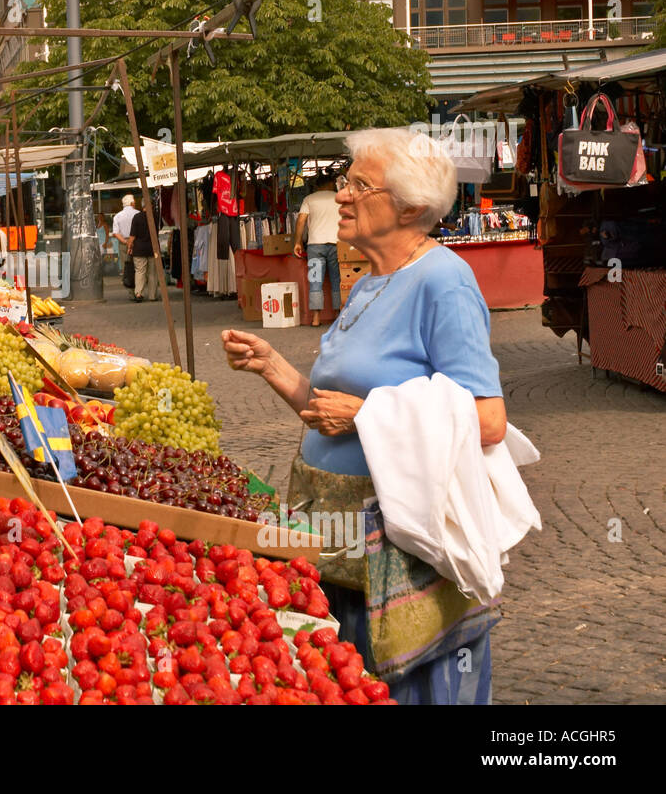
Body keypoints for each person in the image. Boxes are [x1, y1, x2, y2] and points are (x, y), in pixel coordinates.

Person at [222, 128, 508, 705]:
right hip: (340, 544)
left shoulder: (443, 281)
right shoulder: (368, 282)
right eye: (345, 181)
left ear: (411, 207)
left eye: (358, 184)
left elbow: (488, 419)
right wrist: (273, 365)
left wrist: (367, 414)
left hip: (402, 560)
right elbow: (329, 413)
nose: (342, 195)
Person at [293, 174, 342, 326]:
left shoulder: (309, 199)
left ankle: (315, 318)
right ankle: (338, 314)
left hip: (315, 246)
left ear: (318, 185)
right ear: (329, 184)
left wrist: (298, 242)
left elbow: (301, 220)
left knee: (315, 281)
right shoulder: (339, 197)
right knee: (336, 280)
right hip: (337, 244)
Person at [126, 203, 160, 302]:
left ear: (142, 205)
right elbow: (160, 228)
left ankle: (139, 293)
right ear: (151, 206)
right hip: (153, 248)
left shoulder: (137, 217)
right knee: (152, 273)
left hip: (139, 249)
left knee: (140, 271)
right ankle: (152, 295)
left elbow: (132, 235)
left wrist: (129, 246)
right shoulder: (156, 216)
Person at [112, 195, 139, 289]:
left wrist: (125, 241)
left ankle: (130, 289)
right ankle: (138, 289)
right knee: (138, 266)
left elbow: (115, 233)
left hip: (123, 243)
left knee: (126, 266)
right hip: (136, 242)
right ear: (132, 203)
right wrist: (131, 241)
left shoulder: (117, 216)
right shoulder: (138, 213)